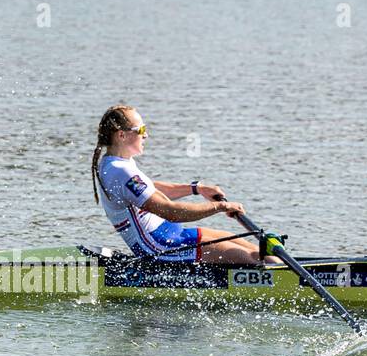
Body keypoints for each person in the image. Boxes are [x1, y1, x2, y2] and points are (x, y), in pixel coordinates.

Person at [91, 105, 272, 265]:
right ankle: (285, 283)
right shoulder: (119, 170)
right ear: (121, 135)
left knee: (255, 250)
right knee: (250, 258)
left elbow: (150, 189)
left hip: (172, 234)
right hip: (159, 247)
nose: (146, 134)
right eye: (141, 129)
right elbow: (170, 211)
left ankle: (283, 270)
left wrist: (196, 188)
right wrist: (219, 207)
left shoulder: (116, 163)